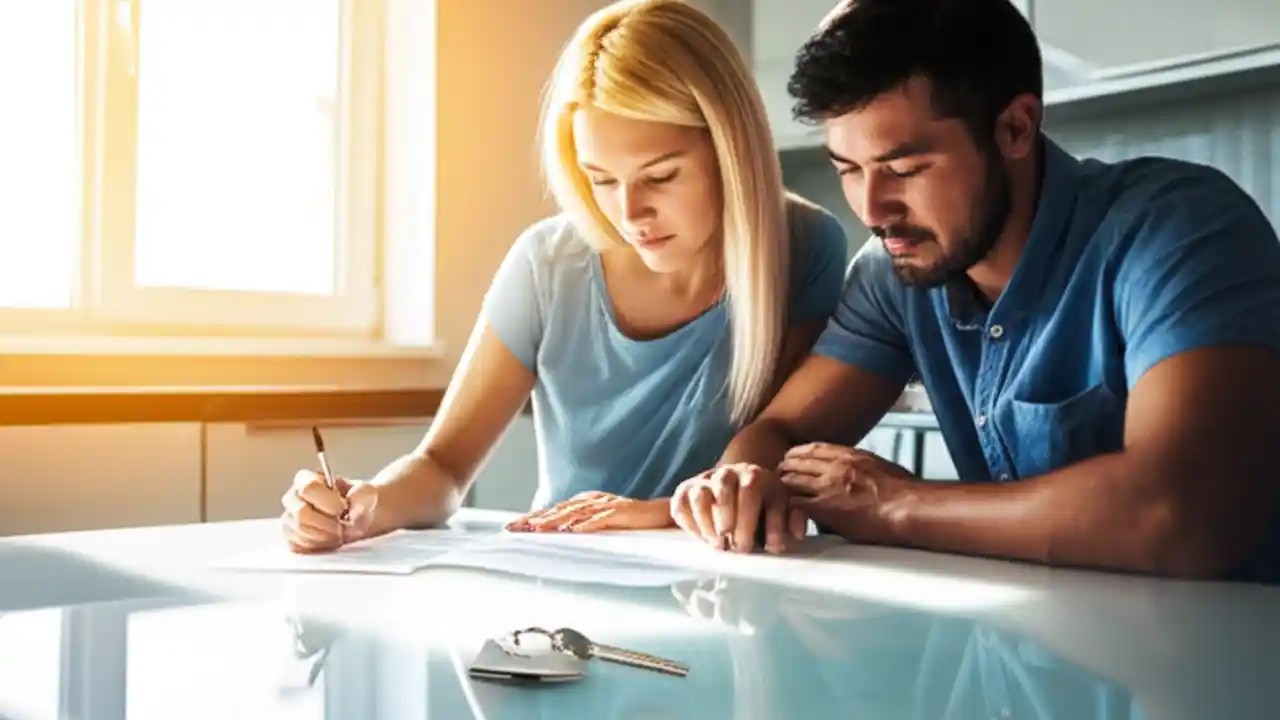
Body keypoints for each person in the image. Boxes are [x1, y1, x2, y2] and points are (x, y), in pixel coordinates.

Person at [671, 0, 1280, 580]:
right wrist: (741, 481)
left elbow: (1183, 514)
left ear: (1016, 128)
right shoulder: (893, 272)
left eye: (906, 170)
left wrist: (896, 505)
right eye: (848, 170)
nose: (872, 209)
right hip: (1031, 653)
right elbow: (778, 434)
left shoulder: (1177, 229)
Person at [280, 0, 847, 553]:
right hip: (566, 569)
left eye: (661, 176)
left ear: (730, 149)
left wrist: (652, 515)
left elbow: (768, 462)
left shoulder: (805, 247)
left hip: (722, 569)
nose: (630, 214)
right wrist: (367, 506)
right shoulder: (547, 264)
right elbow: (444, 465)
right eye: (602, 179)